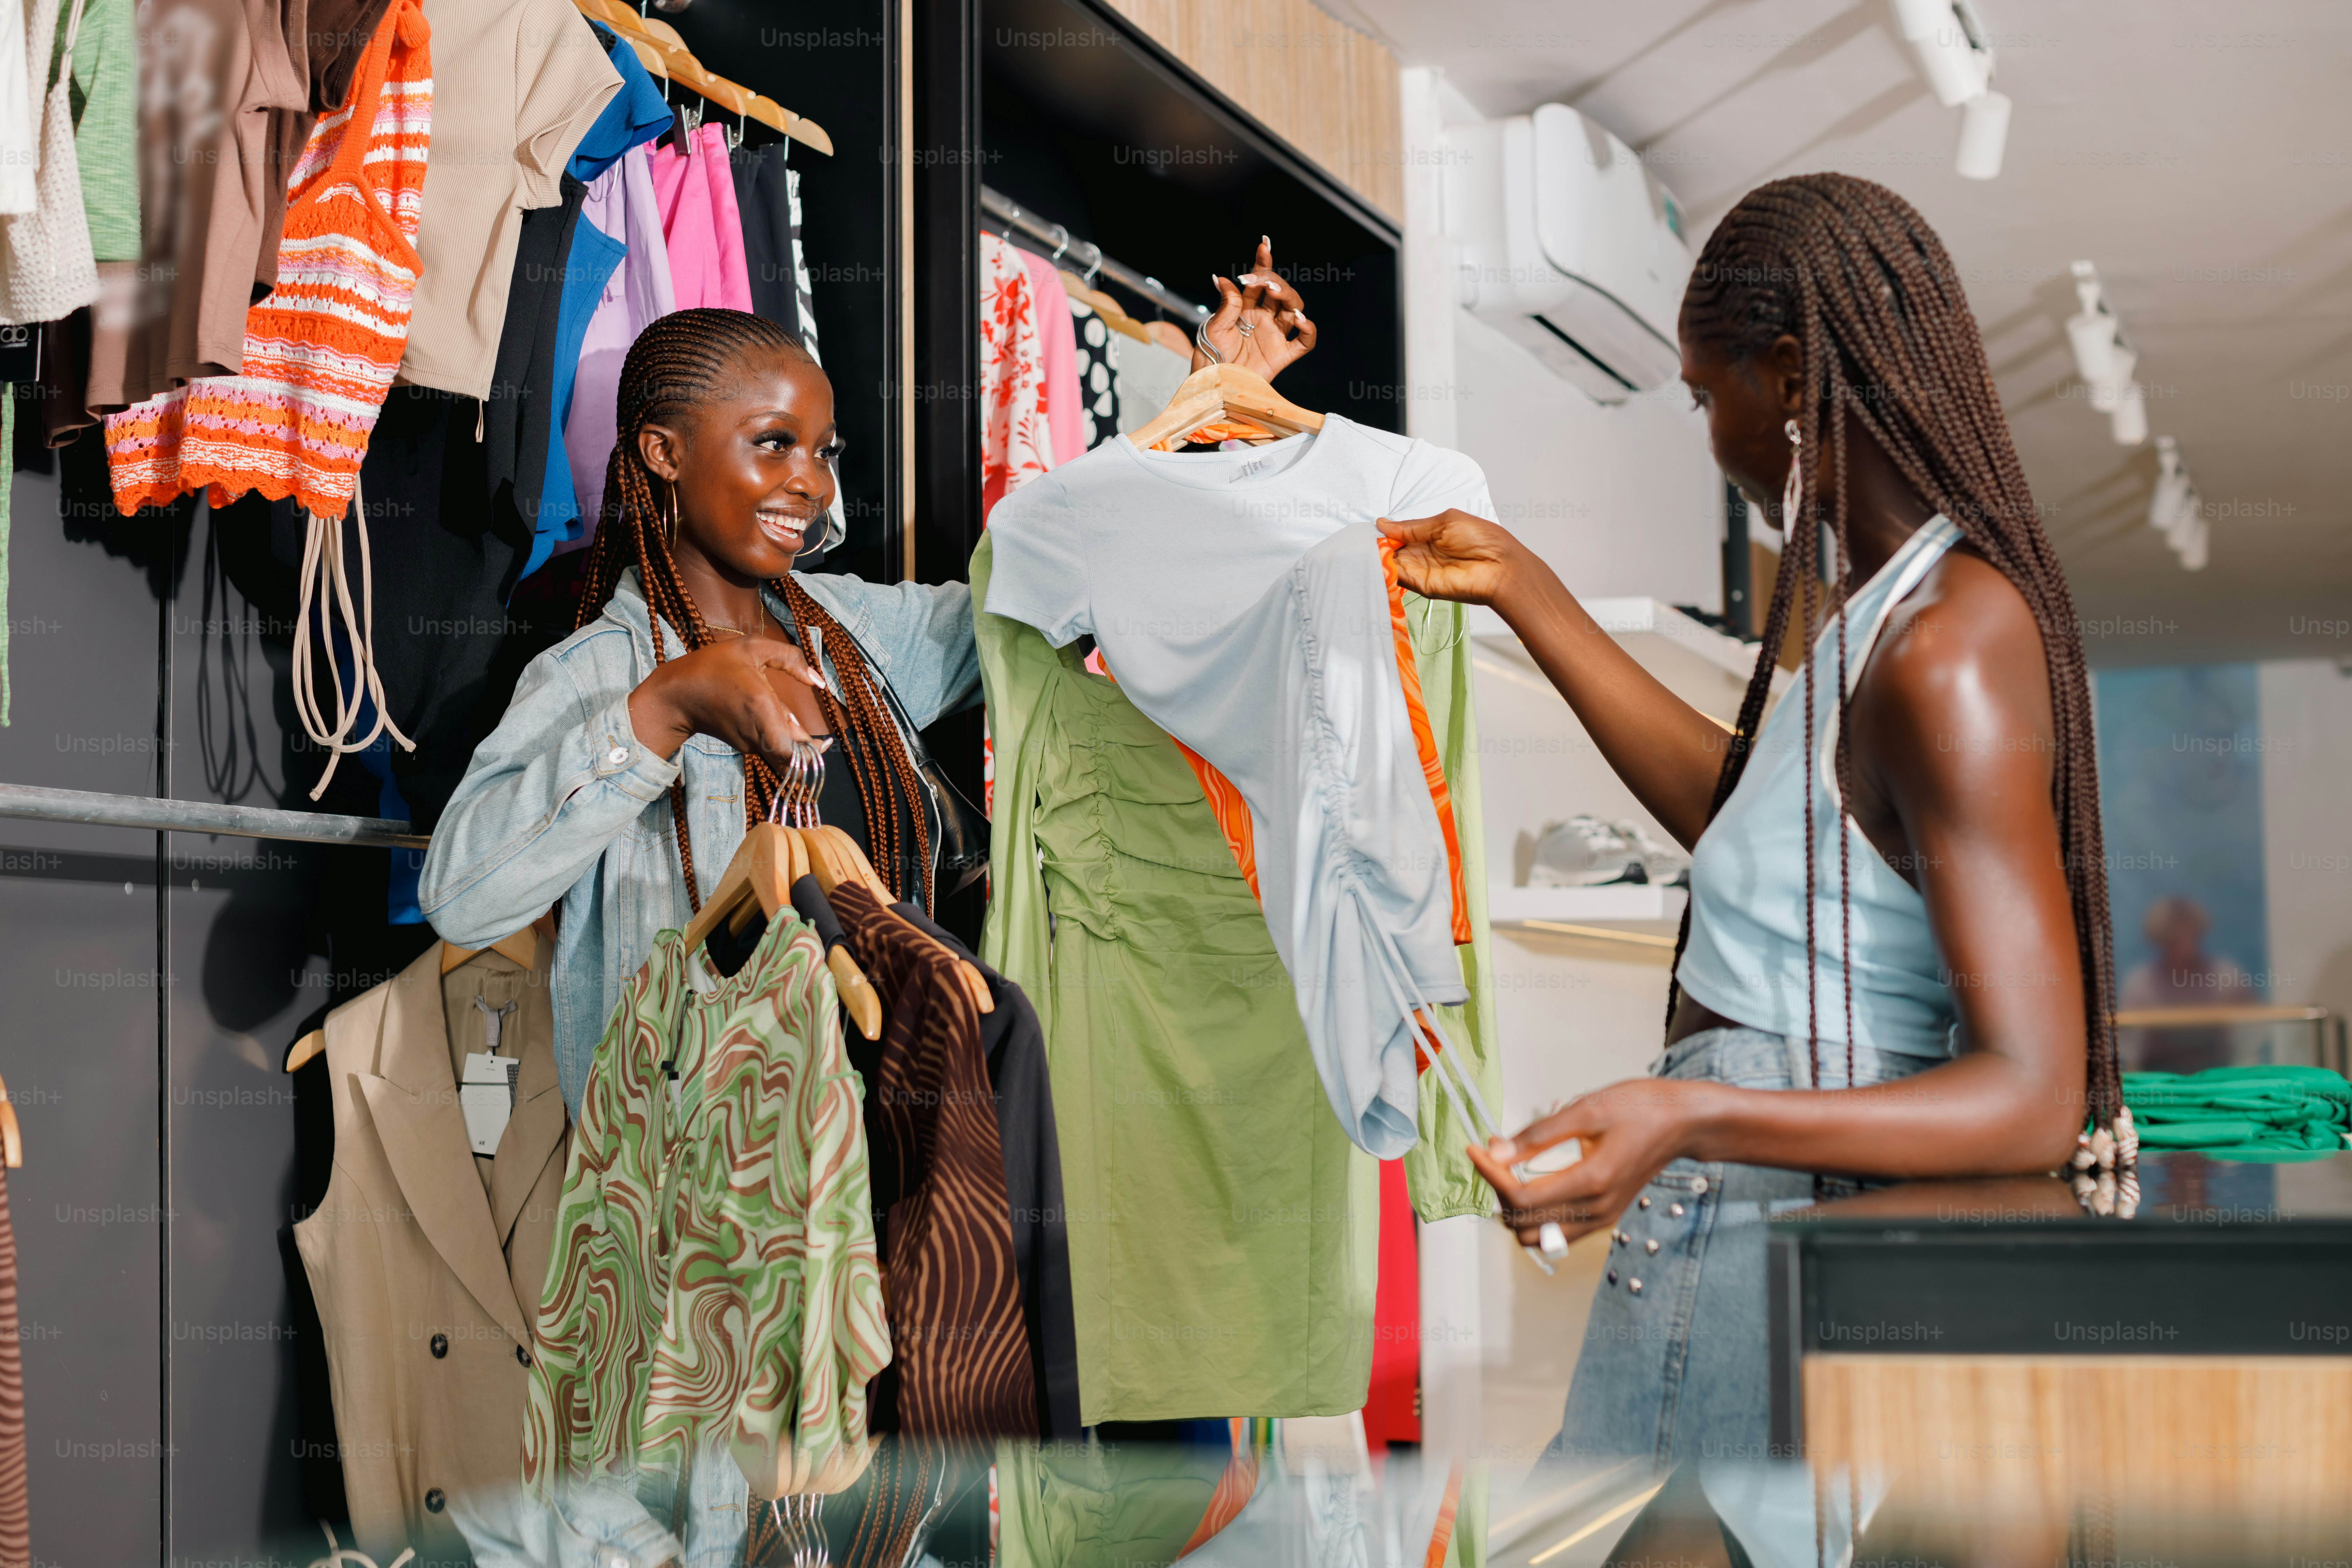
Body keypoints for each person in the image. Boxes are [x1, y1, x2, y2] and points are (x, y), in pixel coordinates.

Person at [1380, 174, 2122, 1466]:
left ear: (1785, 382)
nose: (1703, 426)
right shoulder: (1875, 620)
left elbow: (2028, 1096)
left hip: (1768, 1209)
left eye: (1698, 391)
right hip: (1733, 1201)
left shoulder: (1942, 647)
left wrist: (1684, 1117)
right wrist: (1518, 583)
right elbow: (1734, 822)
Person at [421, 246, 1317, 1118]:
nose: (809, 484)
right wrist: (665, 709)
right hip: (714, 1198)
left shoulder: (850, 631)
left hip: (903, 1148)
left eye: (823, 452)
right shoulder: (600, 674)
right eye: (774, 445)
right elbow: (463, 897)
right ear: (663, 452)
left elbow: (1067, 587)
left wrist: (1220, 397)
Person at [2119, 895, 2255, 1071]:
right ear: (2159, 939)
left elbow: (2250, 1035)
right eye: (2174, 938)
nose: (2185, 945)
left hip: (2219, 1074)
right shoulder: (2140, 984)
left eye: (2190, 936)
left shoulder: (2226, 976)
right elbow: (2131, 1049)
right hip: (2161, 1079)